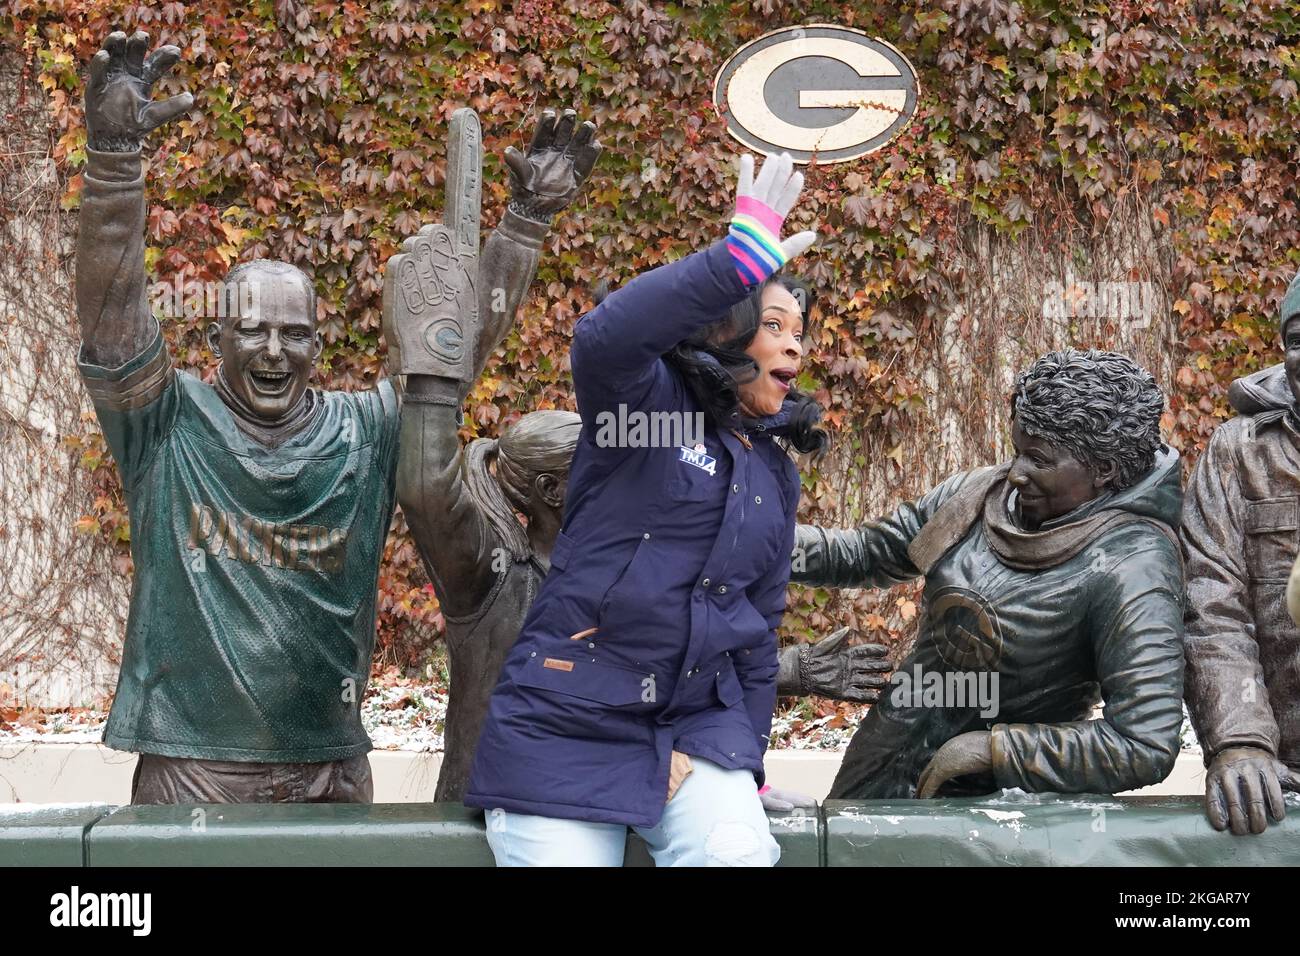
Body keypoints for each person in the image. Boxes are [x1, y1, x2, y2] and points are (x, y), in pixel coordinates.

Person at [75, 31, 593, 803]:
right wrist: (116, 162)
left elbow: (448, 356)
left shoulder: (365, 431)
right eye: (252, 330)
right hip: (197, 774)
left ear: (320, 343)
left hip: (333, 771)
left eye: (295, 333)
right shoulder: (165, 424)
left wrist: (522, 227)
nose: (274, 350)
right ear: (216, 338)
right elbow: (113, 310)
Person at [463, 152, 825, 865]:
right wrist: (735, 261)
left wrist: (743, 761)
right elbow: (606, 337)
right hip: (566, 723)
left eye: (800, 331)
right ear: (725, 331)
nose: (795, 345)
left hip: (692, 729)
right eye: (776, 324)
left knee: (735, 856)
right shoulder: (646, 405)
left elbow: (757, 629)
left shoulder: (773, 473)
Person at [792, 349, 1186, 799]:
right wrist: (754, 541)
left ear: (1104, 470)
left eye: (1038, 459)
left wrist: (993, 750)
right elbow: (866, 553)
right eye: (1017, 450)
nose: (1015, 474)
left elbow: (1142, 744)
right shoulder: (974, 496)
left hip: (997, 804)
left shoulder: (1134, 564)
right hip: (883, 758)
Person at [1182, 270, 1300, 835]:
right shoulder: (1240, 452)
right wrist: (1239, 740)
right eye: (1297, 339)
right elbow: (1211, 607)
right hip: (1284, 769)